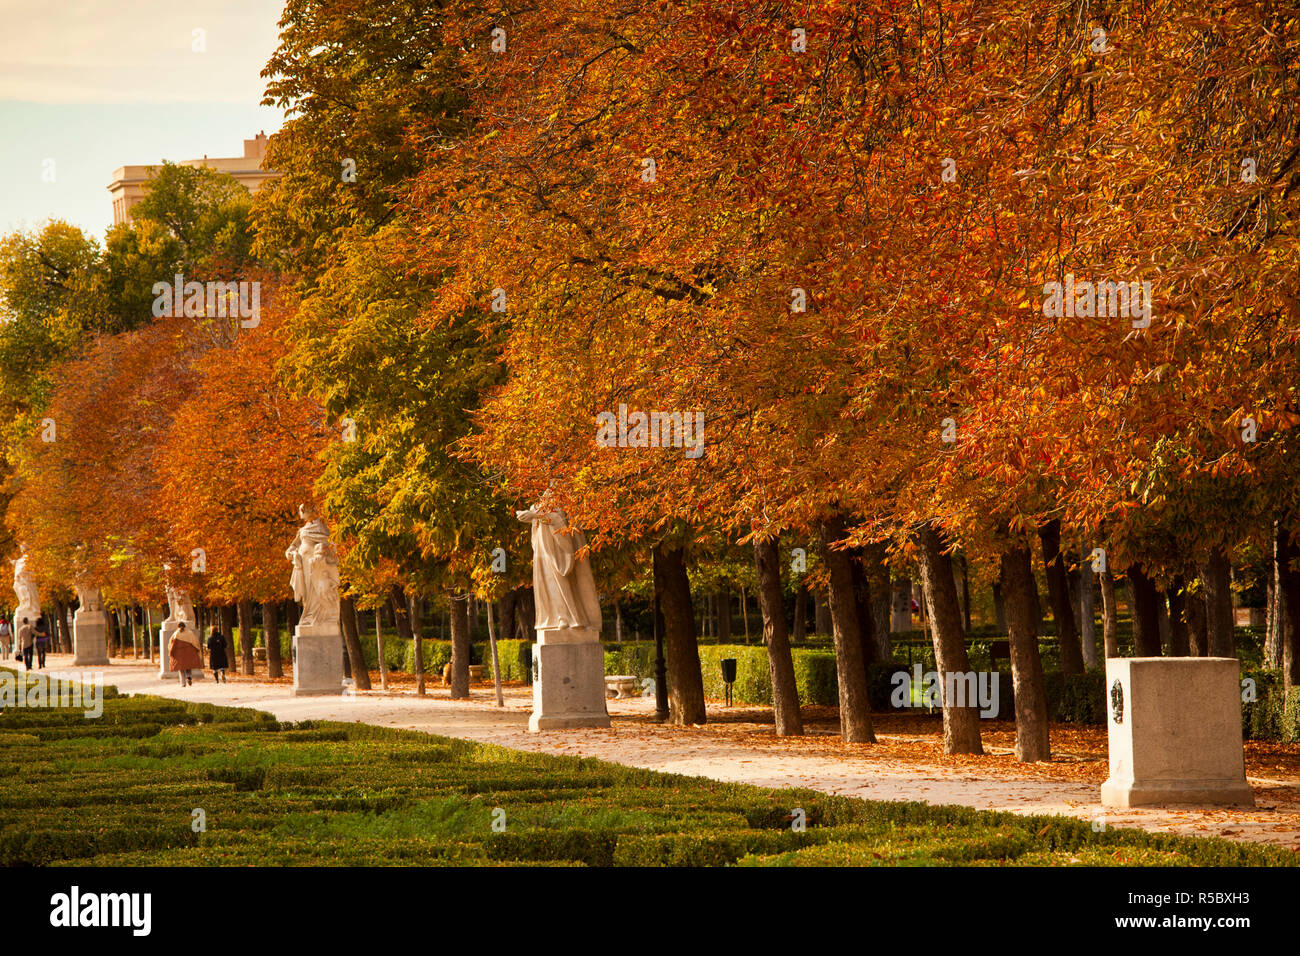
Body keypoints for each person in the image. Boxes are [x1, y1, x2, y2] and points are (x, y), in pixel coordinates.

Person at [169, 621, 202, 686]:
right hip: (189, 652)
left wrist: (171, 652)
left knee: (181, 668)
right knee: (188, 666)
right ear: (185, 626)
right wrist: (197, 649)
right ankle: (189, 677)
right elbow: (195, 642)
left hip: (179, 654)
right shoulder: (190, 633)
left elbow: (171, 644)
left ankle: (183, 683)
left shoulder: (176, 634)